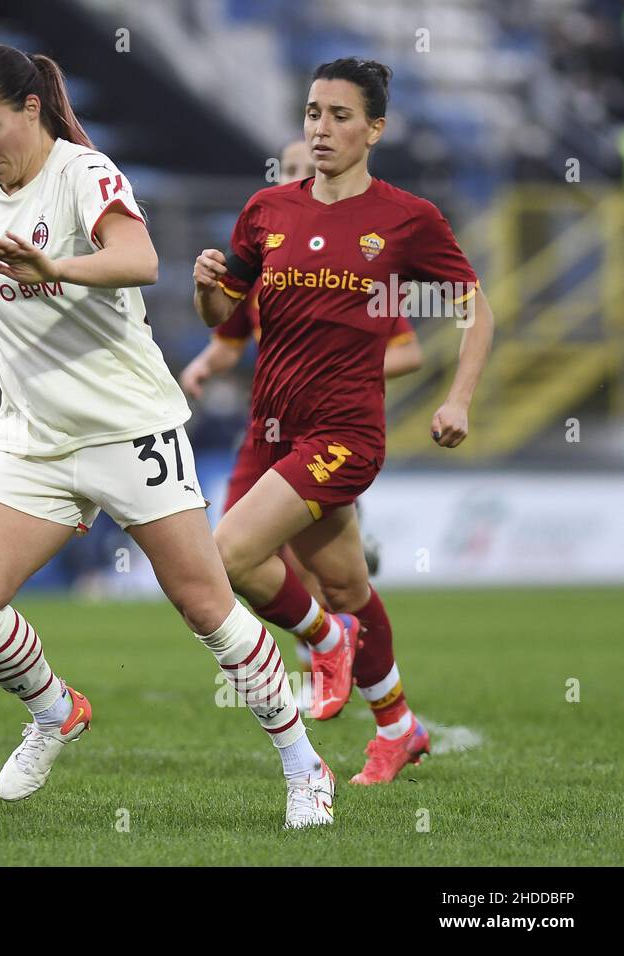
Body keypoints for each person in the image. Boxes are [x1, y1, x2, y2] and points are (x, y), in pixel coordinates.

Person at [0, 42, 336, 828]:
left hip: (128, 426)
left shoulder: (83, 174)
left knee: (206, 608)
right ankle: (56, 711)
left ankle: (304, 766)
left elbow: (140, 258)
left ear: (29, 108)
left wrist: (50, 266)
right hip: (36, 438)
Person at [193, 58, 493, 784]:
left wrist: (458, 399)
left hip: (344, 437)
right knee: (352, 588)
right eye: (313, 113)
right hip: (273, 431)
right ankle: (399, 728)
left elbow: (474, 308)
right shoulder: (267, 210)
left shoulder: (407, 218)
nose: (321, 129)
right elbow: (226, 315)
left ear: (375, 129)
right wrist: (206, 291)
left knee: (228, 555)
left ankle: (326, 643)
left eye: (340, 116)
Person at [180, 139, 422, 700]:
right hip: (266, 427)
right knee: (240, 557)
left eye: (302, 171)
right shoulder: (263, 264)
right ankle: (327, 651)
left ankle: (331, 665)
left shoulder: (357, 269)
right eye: (285, 171)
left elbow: (410, 351)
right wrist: (199, 368)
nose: (293, 180)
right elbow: (227, 337)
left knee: (300, 565)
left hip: (330, 426)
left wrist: (348, 367)